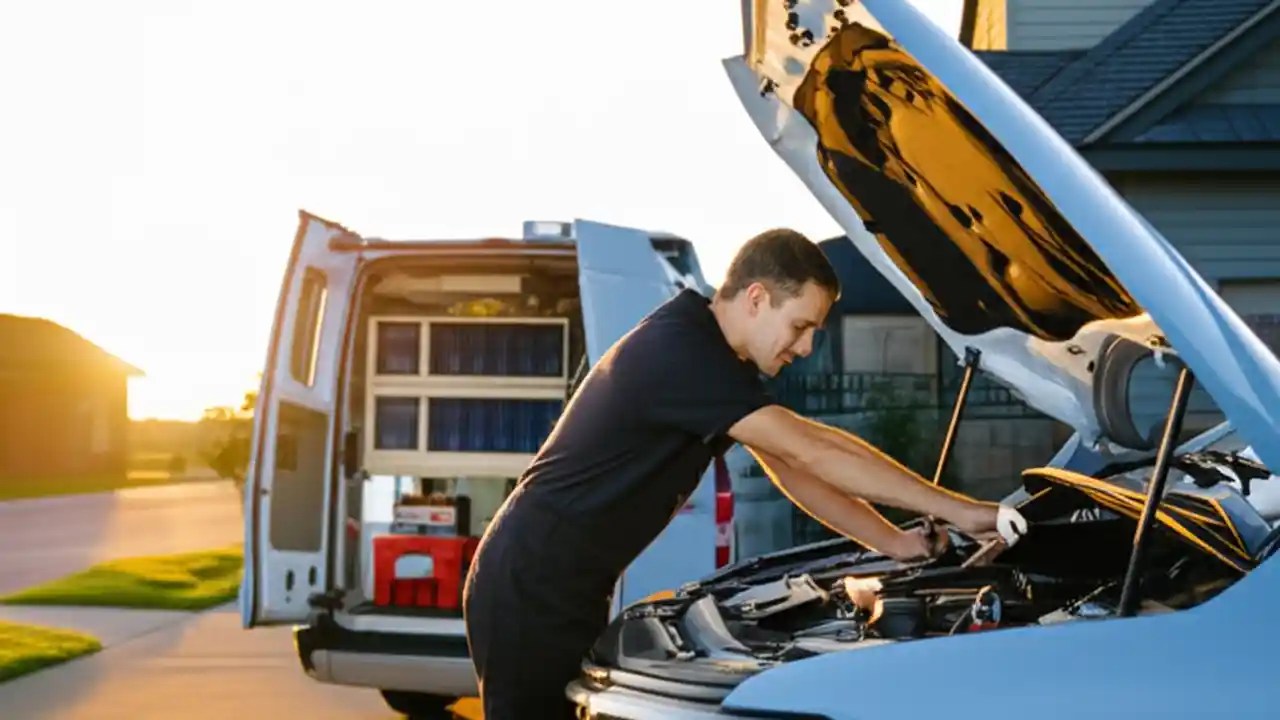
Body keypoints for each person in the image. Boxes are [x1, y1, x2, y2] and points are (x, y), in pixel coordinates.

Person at [462, 228, 1028, 718]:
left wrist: (897, 543)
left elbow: (792, 470)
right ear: (756, 298)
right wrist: (964, 510)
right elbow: (812, 449)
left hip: (560, 585)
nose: (805, 348)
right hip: (528, 588)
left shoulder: (712, 358)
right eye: (801, 325)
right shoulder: (681, 353)